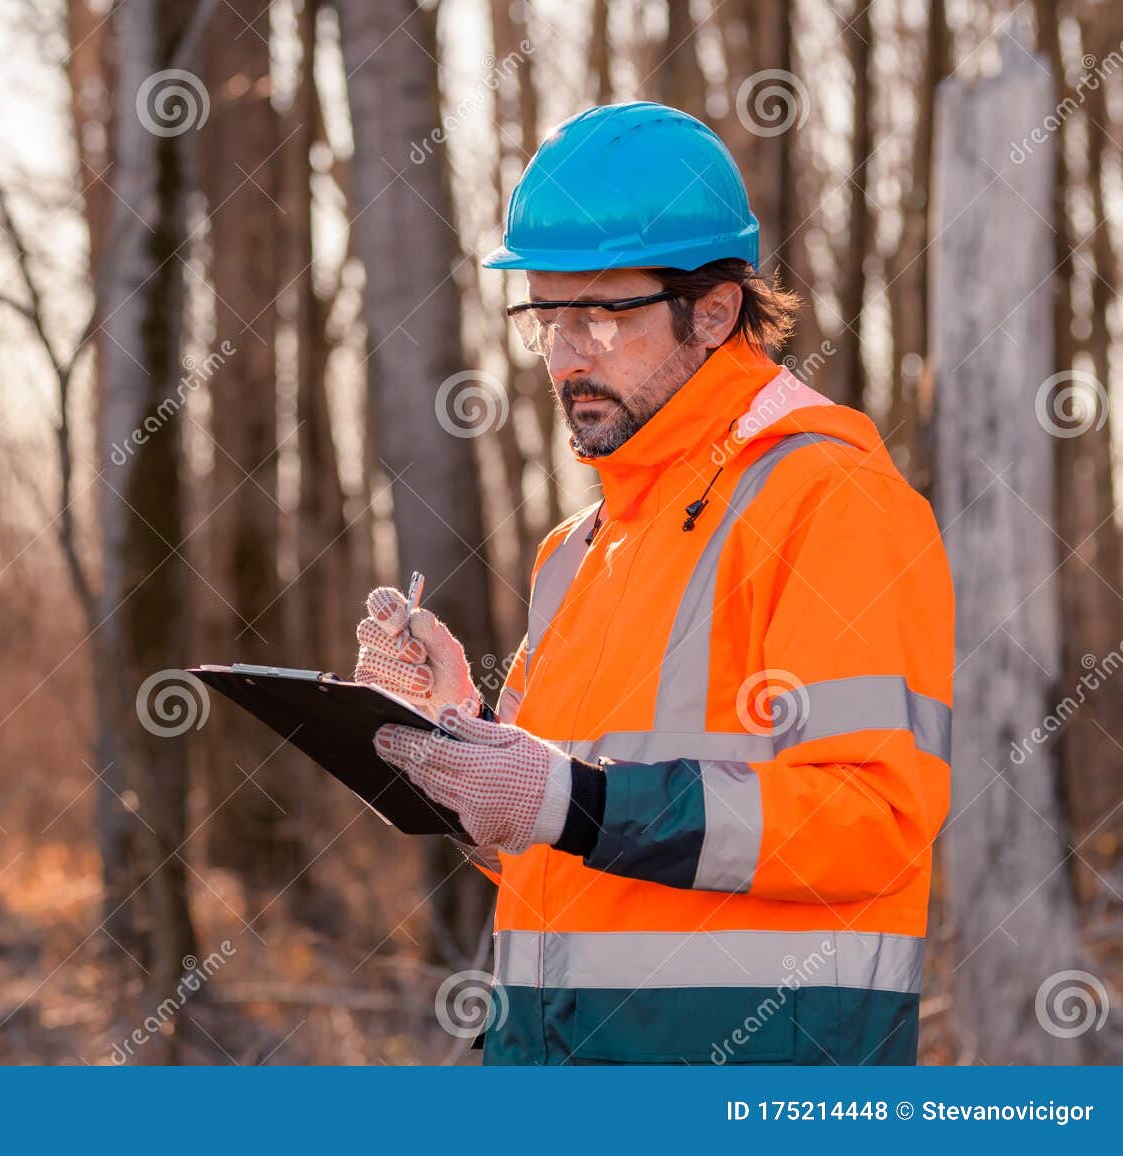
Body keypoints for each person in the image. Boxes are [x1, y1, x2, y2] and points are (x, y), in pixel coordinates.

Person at [357, 102, 953, 1065]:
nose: (564, 357)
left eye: (600, 315)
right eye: (545, 317)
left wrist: (570, 801)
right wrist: (456, 733)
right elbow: (553, 852)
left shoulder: (829, 499)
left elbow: (874, 821)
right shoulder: (579, 549)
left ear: (714, 310)